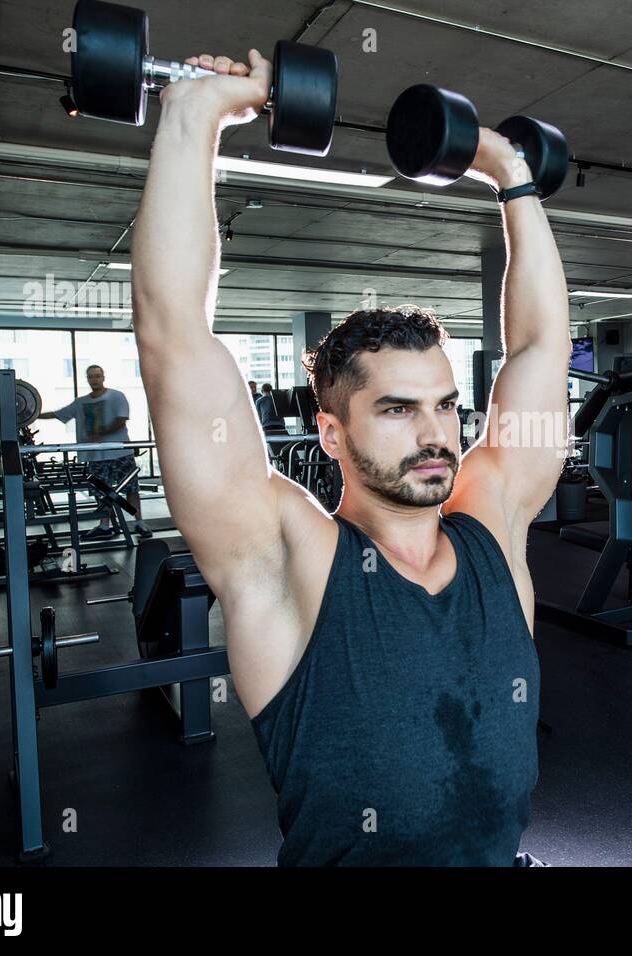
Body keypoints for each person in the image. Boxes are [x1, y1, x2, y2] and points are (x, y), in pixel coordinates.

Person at [131, 49, 569, 866]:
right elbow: (173, 336)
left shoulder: (492, 526)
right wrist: (195, 116)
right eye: (396, 410)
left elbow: (543, 346)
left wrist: (509, 172)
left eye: (444, 405)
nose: (434, 432)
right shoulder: (289, 561)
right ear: (331, 433)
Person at [38, 364, 151, 539]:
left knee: (131, 488)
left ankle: (139, 522)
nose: (94, 379)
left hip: (119, 452)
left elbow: (121, 421)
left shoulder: (117, 396)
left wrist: (100, 434)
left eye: (97, 376)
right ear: (88, 379)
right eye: (91, 376)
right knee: (102, 492)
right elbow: (57, 414)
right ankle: (104, 526)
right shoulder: (80, 402)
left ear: (103, 377)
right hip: (95, 456)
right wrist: (31, 414)